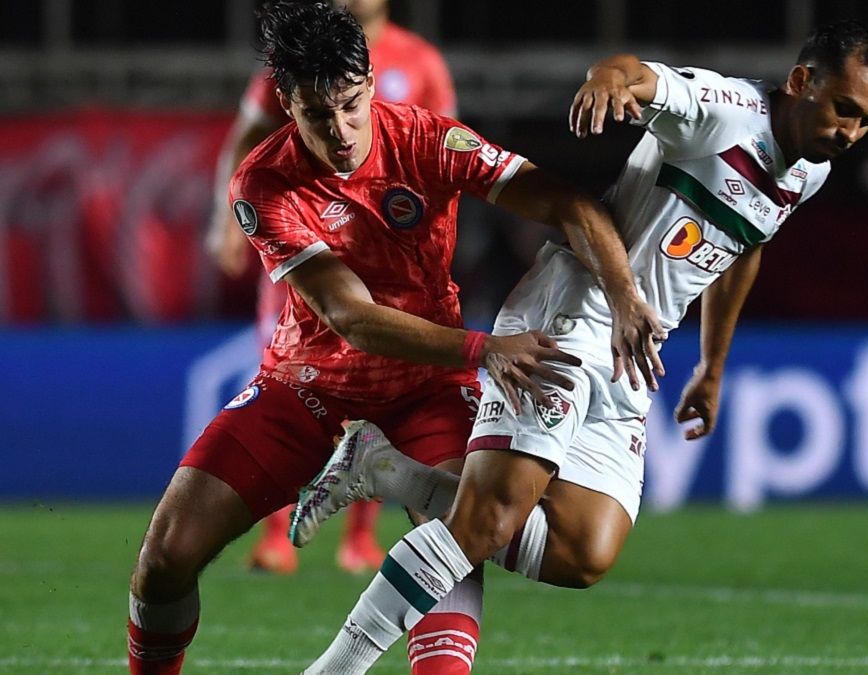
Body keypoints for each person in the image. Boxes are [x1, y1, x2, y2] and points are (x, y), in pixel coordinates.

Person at [299, 19, 868, 674]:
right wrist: (607, 80)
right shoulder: (725, 114)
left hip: (634, 344)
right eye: (845, 109)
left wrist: (713, 365)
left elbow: (745, 248)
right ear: (803, 81)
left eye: (867, 122)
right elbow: (638, 75)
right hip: (572, 311)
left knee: (585, 552)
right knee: (486, 523)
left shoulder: (808, 171)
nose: (851, 132)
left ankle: (386, 467)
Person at [126, 2, 663, 674]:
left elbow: (567, 203)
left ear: (372, 82)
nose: (342, 130)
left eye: (352, 105)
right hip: (307, 388)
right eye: (319, 115)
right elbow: (349, 314)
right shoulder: (262, 184)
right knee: (164, 558)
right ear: (286, 103)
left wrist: (624, 296)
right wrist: (483, 349)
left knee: (458, 542)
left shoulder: (428, 140)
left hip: (425, 389)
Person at [205, 0, 457, 576]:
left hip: (389, 247)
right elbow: (249, 134)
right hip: (307, 244)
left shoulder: (422, 61)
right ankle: (273, 531)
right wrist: (224, 221)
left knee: (380, 379)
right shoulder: (301, 54)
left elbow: (446, 151)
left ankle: (359, 536)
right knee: (288, 375)